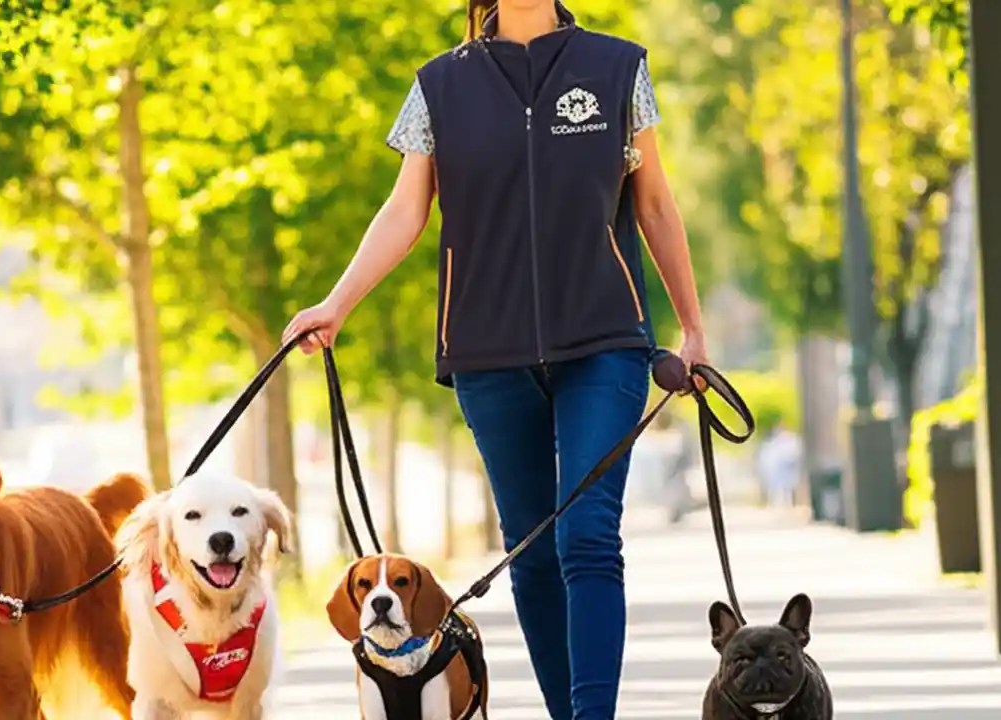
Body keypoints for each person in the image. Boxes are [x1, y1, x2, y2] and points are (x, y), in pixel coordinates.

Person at [282, 2, 708, 717]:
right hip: (487, 351)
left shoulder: (617, 68)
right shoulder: (440, 85)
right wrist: (337, 303)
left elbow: (656, 203)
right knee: (532, 556)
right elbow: (405, 210)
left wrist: (692, 328)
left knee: (586, 535)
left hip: (605, 340)